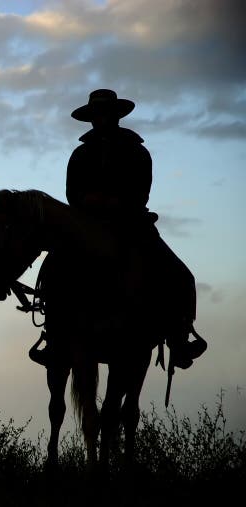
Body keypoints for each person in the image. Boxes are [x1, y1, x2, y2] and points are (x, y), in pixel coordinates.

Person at [59, 88, 206, 369]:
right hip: (87, 225)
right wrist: (87, 201)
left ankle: (179, 338)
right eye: (95, 114)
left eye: (104, 114)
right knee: (53, 269)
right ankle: (52, 335)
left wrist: (116, 202)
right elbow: (71, 192)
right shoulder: (80, 154)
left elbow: (142, 191)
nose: (99, 119)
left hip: (131, 225)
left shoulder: (136, 151)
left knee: (180, 275)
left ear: (115, 116)